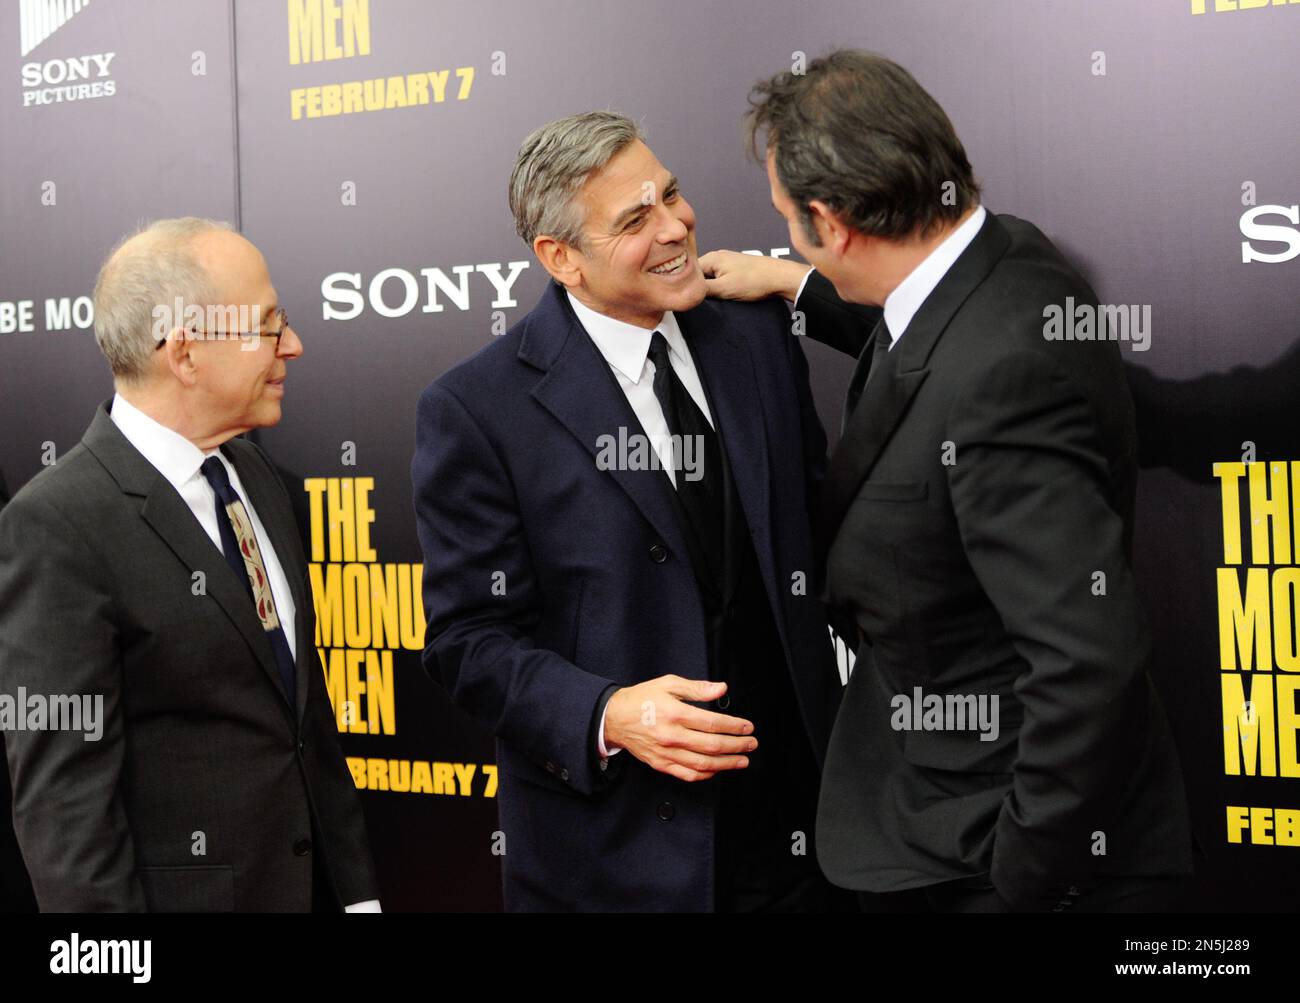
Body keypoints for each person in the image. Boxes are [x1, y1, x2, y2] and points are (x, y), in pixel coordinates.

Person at [701, 50, 1193, 912]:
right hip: (936, 804)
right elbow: (925, 347)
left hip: (997, 848)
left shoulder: (1004, 381)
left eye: (787, 221)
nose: (783, 236)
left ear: (833, 220)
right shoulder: (1007, 262)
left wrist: (1021, 878)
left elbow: (1087, 666)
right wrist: (797, 284)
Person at [412, 112, 845, 911]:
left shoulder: (754, 334)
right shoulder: (479, 407)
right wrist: (608, 711)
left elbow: (819, 531)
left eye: (671, 194)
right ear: (560, 258)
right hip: (617, 857)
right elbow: (467, 641)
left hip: (802, 843)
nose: (677, 226)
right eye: (635, 220)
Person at [0, 218, 379, 912]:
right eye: (268, 326)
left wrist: (357, 897)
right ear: (186, 353)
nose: (292, 345)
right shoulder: (56, 524)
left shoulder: (256, 476)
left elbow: (304, 724)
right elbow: (64, 807)